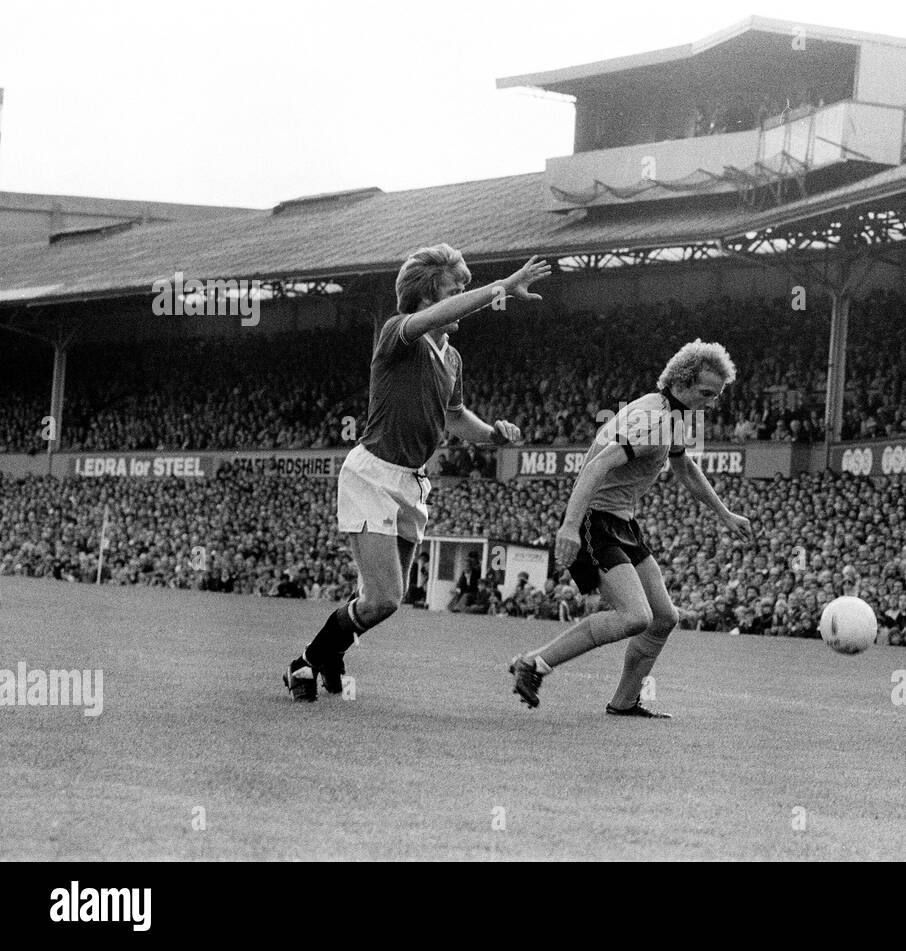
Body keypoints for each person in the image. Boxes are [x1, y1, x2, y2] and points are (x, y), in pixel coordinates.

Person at [283, 245, 550, 701]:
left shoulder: (452, 358)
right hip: (372, 475)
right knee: (383, 598)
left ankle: (330, 655)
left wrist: (494, 437)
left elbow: (456, 416)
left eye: (466, 287)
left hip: (411, 482)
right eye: (455, 288)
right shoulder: (398, 333)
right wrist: (501, 287)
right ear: (428, 300)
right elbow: (438, 315)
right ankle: (305, 663)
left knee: (385, 600)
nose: (463, 296)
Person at [508, 340, 754, 716]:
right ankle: (535, 663)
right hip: (596, 521)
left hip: (622, 522)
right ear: (682, 383)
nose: (712, 401)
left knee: (663, 618)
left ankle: (624, 702)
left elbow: (684, 467)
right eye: (706, 393)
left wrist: (724, 513)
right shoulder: (653, 420)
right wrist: (571, 527)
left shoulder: (671, 415)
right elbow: (596, 467)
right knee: (635, 617)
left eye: (717, 395)